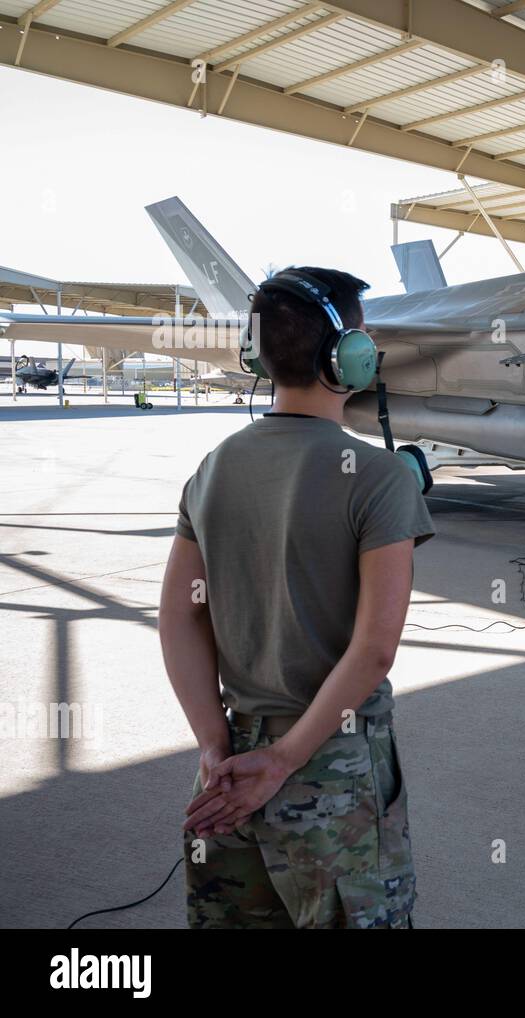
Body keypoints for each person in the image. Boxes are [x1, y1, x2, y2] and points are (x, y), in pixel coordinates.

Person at [159, 266, 435, 928]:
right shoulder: (378, 478)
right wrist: (282, 761)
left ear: (258, 356)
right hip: (329, 770)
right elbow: (373, 651)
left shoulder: (214, 467)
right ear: (349, 357)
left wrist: (211, 746)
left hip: (226, 772)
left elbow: (178, 616)